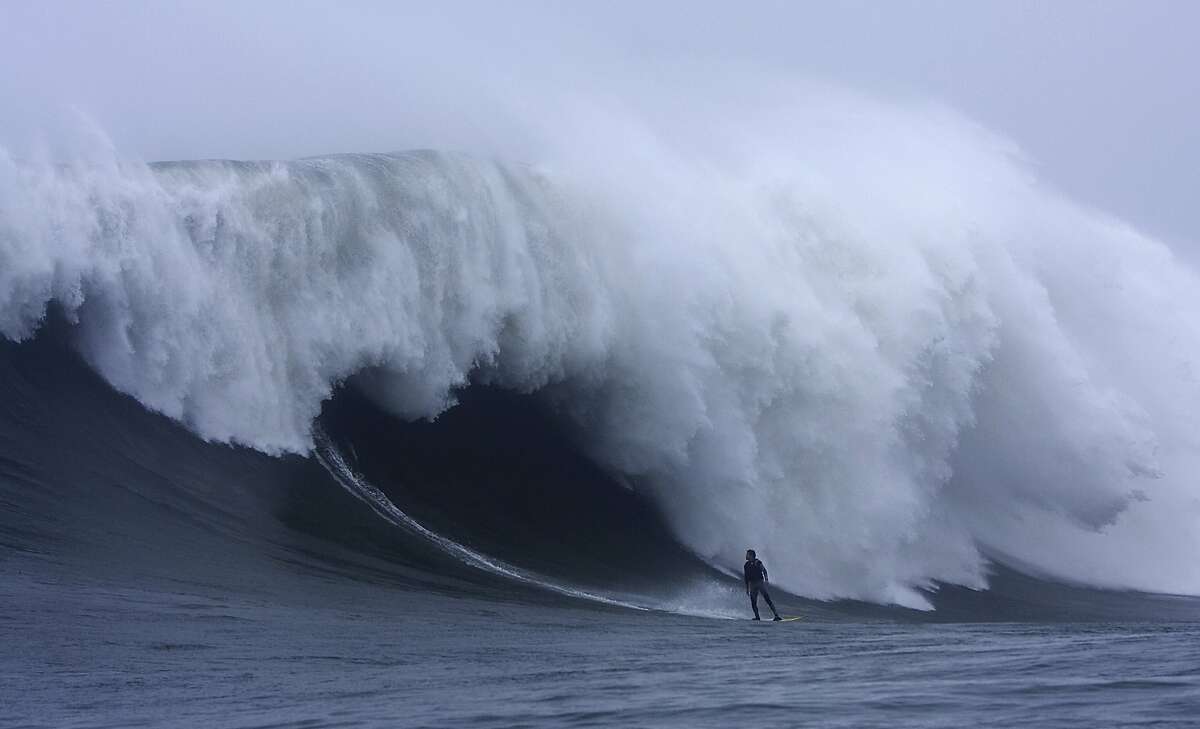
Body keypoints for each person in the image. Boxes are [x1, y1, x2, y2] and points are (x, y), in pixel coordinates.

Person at [744, 549, 781, 621]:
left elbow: (764, 570)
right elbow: (746, 577)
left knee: (767, 599)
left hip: (759, 582)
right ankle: (757, 617)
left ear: (751, 555)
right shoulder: (746, 565)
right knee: (753, 602)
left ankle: (776, 615)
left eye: (747, 554)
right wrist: (747, 588)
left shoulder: (757, 562)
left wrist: (766, 579)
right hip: (752, 584)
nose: (746, 556)